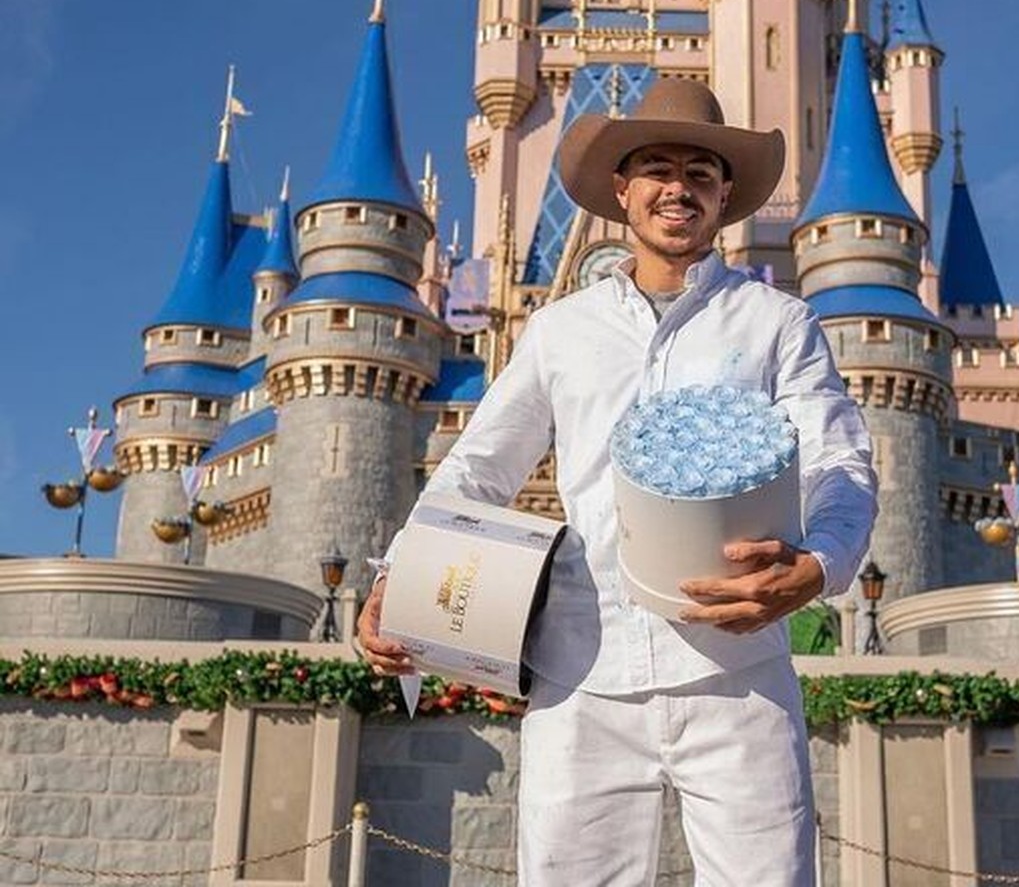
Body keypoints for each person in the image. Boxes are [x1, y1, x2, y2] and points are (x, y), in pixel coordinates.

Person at [358, 77, 877, 886]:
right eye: (659, 169)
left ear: (724, 194)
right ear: (623, 192)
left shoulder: (778, 324)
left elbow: (839, 461)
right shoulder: (562, 331)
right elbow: (478, 466)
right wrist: (400, 578)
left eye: (700, 172)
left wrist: (820, 564)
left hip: (736, 675)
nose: (679, 188)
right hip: (583, 673)